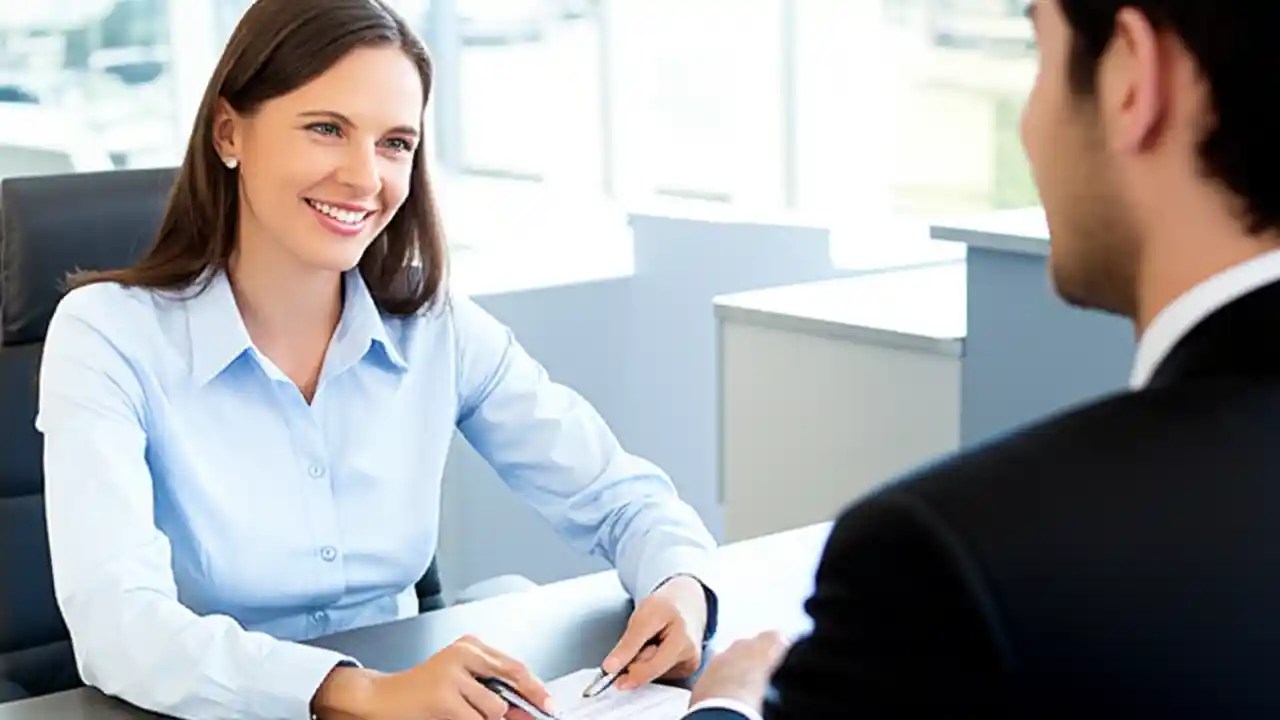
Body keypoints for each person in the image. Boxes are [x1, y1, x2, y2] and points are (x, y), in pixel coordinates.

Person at [36, 2, 717, 718]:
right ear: (229, 132)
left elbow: (620, 496)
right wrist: (355, 691)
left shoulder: (434, 328)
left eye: (395, 143)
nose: (366, 179)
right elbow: (118, 626)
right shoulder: (107, 336)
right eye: (327, 129)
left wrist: (680, 585)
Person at [685, 0, 1280, 717]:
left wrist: (725, 706)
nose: (1030, 128)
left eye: (1040, 55)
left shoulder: (946, 562)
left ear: (1129, 74)